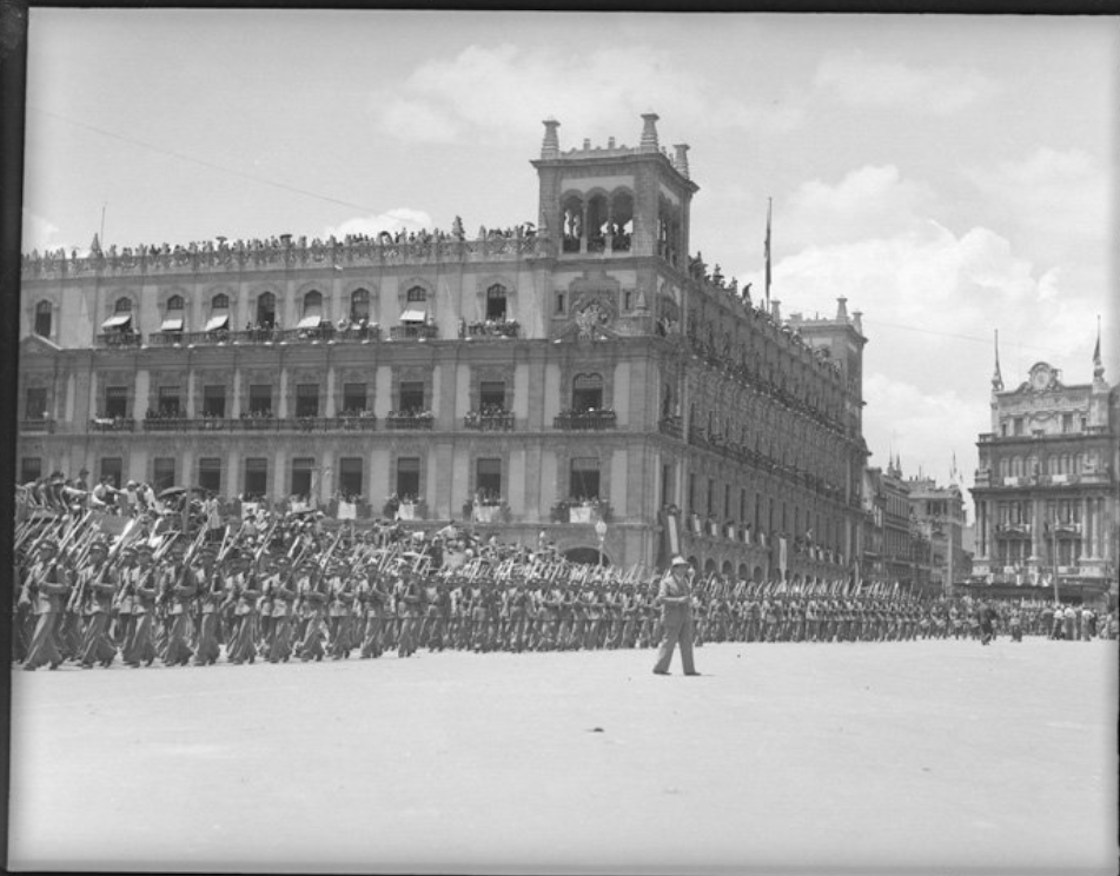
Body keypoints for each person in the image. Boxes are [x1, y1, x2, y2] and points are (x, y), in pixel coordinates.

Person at [652, 556, 700, 676]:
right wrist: (678, 600)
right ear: (675, 569)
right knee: (669, 642)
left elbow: (688, 597)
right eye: (682, 567)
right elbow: (660, 598)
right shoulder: (666, 582)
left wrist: (692, 602)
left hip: (686, 616)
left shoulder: (686, 582)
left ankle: (689, 669)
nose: (684, 569)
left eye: (685, 566)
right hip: (672, 616)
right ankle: (660, 668)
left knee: (687, 643)